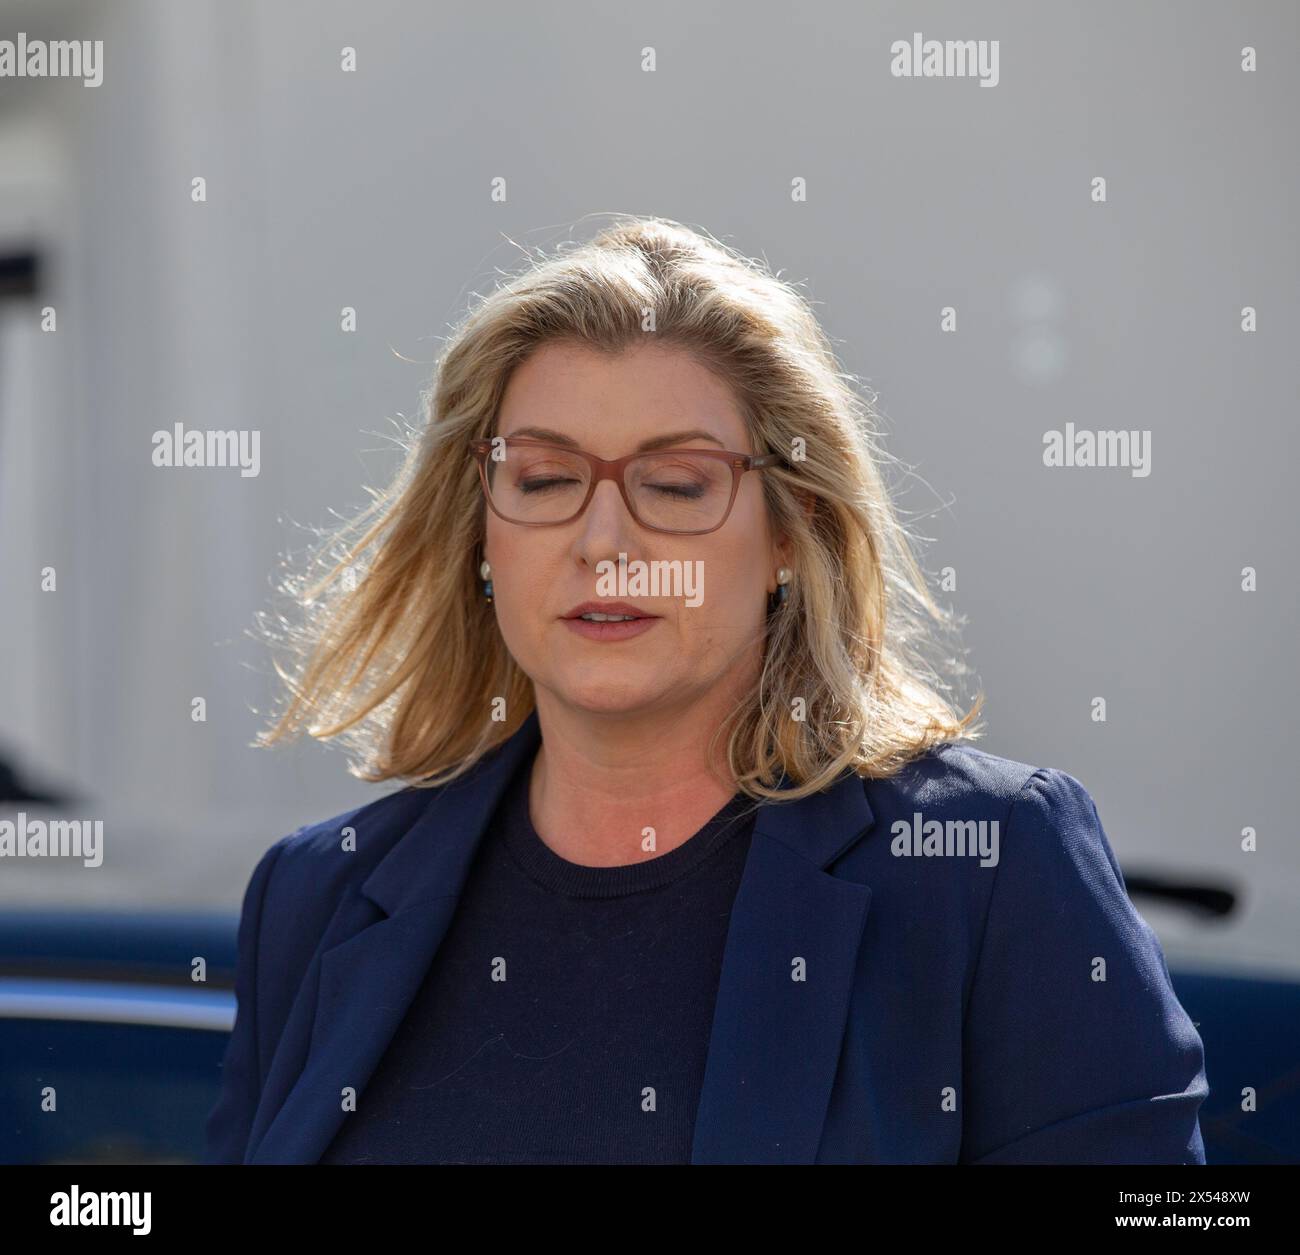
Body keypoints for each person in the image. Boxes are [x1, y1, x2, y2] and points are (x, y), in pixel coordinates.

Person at [203, 216, 1207, 1164]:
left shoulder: (986, 866)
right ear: (480, 532)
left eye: (676, 484)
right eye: (545, 479)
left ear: (788, 529)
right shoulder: (319, 895)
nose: (604, 543)